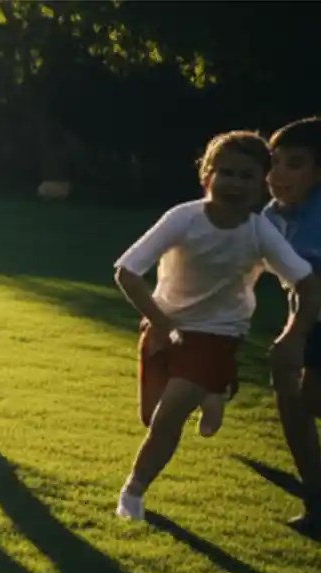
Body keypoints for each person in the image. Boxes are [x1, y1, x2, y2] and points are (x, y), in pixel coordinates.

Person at [112, 130, 318, 521]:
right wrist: (160, 321)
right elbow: (127, 272)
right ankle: (214, 393)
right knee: (151, 415)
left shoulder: (261, 231)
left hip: (218, 336)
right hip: (165, 326)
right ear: (207, 175)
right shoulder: (183, 218)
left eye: (246, 176)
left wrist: (295, 335)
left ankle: (133, 493)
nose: (235, 184)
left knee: (165, 421)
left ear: (262, 184)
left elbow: (307, 285)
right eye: (226, 173)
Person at [263, 116, 321, 532]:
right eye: (275, 162)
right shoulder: (271, 216)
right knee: (292, 401)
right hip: (308, 322)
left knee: (306, 401)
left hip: (311, 323)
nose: (278, 173)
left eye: (294, 163)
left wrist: (294, 334)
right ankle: (316, 499)